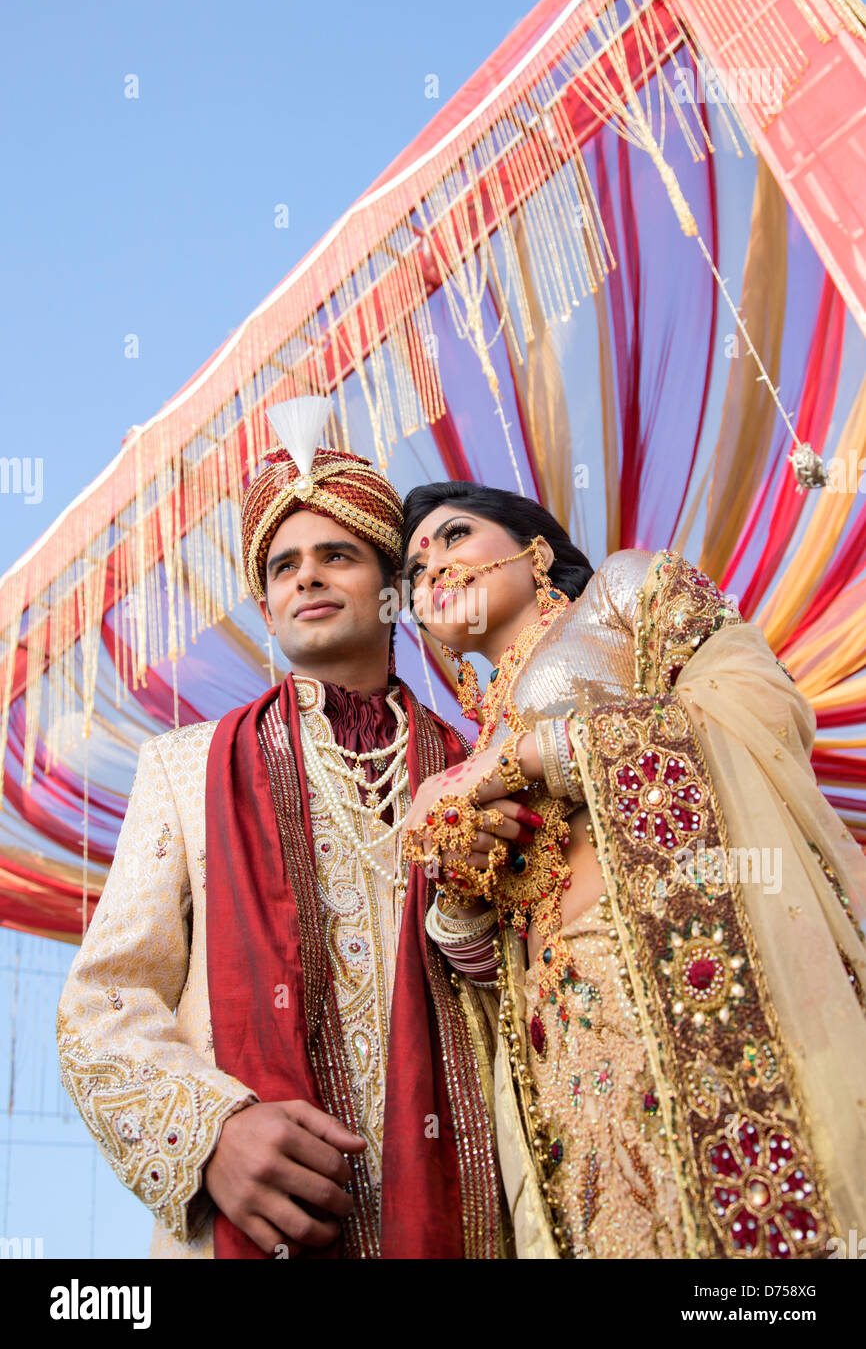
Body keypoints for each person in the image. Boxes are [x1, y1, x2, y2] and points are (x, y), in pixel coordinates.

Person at [56, 401, 517, 1260]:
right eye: (283, 566)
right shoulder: (186, 768)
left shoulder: (486, 767)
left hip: (475, 1219)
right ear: (267, 609)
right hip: (256, 1227)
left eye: (336, 554)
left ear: (391, 592)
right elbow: (100, 1007)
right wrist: (212, 1137)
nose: (307, 577)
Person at [401, 479, 866, 1260]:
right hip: (564, 1045)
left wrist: (538, 755)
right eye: (414, 570)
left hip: (689, 962)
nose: (433, 570)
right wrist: (458, 891)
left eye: (453, 537)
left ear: (537, 550)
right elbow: (484, 976)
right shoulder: (463, 750)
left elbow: (758, 701)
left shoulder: (622, 590)